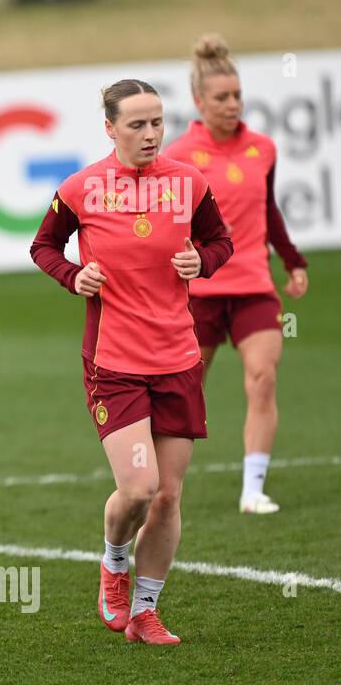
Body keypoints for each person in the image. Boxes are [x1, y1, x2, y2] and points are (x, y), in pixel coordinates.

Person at [31, 79, 233, 645]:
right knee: (140, 487)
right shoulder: (81, 187)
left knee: (169, 495)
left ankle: (145, 613)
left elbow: (221, 241)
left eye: (157, 122)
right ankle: (113, 563)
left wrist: (203, 260)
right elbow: (43, 247)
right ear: (110, 129)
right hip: (114, 361)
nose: (149, 134)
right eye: (137, 124)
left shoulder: (189, 182)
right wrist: (75, 276)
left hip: (178, 357)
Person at [162, 34, 309, 515]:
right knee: (185, 392)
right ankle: (162, 487)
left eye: (237, 95)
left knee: (263, 378)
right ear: (199, 101)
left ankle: (253, 489)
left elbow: (267, 208)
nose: (232, 104)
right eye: (221, 97)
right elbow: (167, 224)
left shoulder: (262, 148)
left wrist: (292, 260)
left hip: (252, 286)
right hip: (200, 289)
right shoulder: (179, 155)